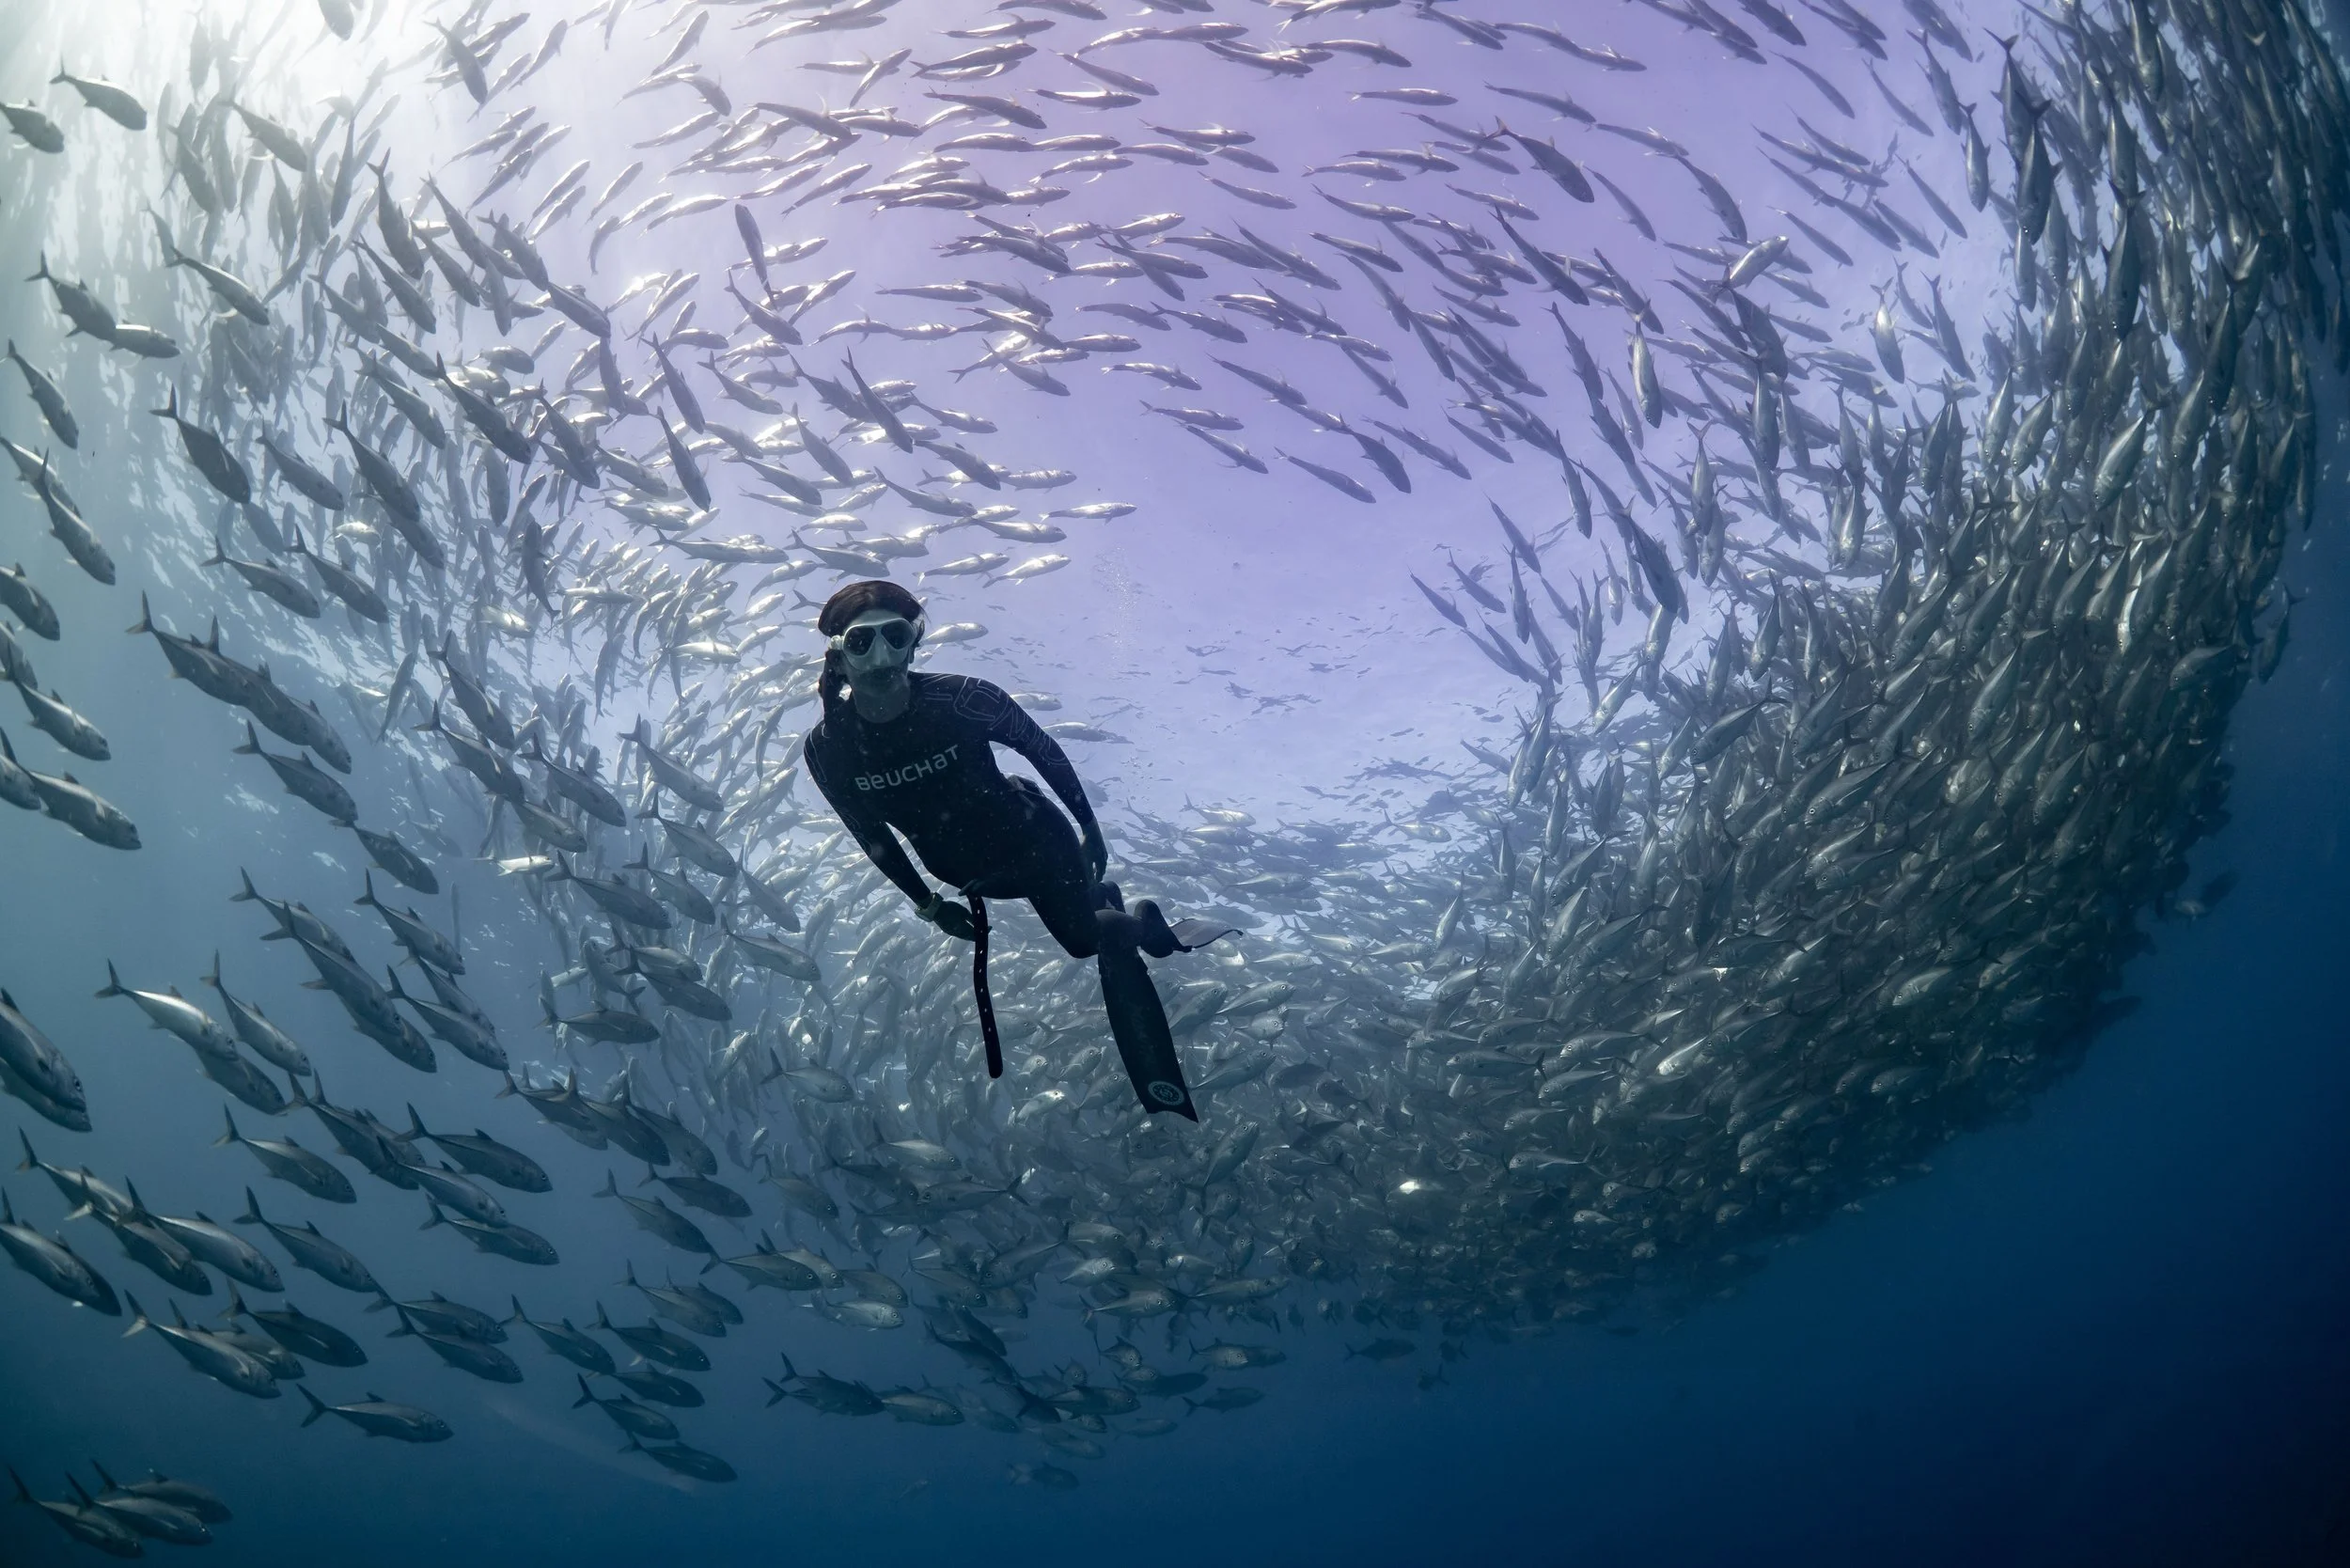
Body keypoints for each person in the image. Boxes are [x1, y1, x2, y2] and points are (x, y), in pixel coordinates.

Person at [800, 581, 1227, 1120]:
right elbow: (872, 836)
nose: (883, 656)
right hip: (977, 878)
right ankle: (1103, 899)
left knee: (1086, 942)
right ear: (838, 653)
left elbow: (1040, 748)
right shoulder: (827, 749)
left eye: (896, 636)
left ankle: (1141, 923)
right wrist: (929, 905)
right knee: (1083, 924)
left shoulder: (964, 698)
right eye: (863, 642)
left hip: (1037, 846)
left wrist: (1087, 824)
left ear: (914, 642)